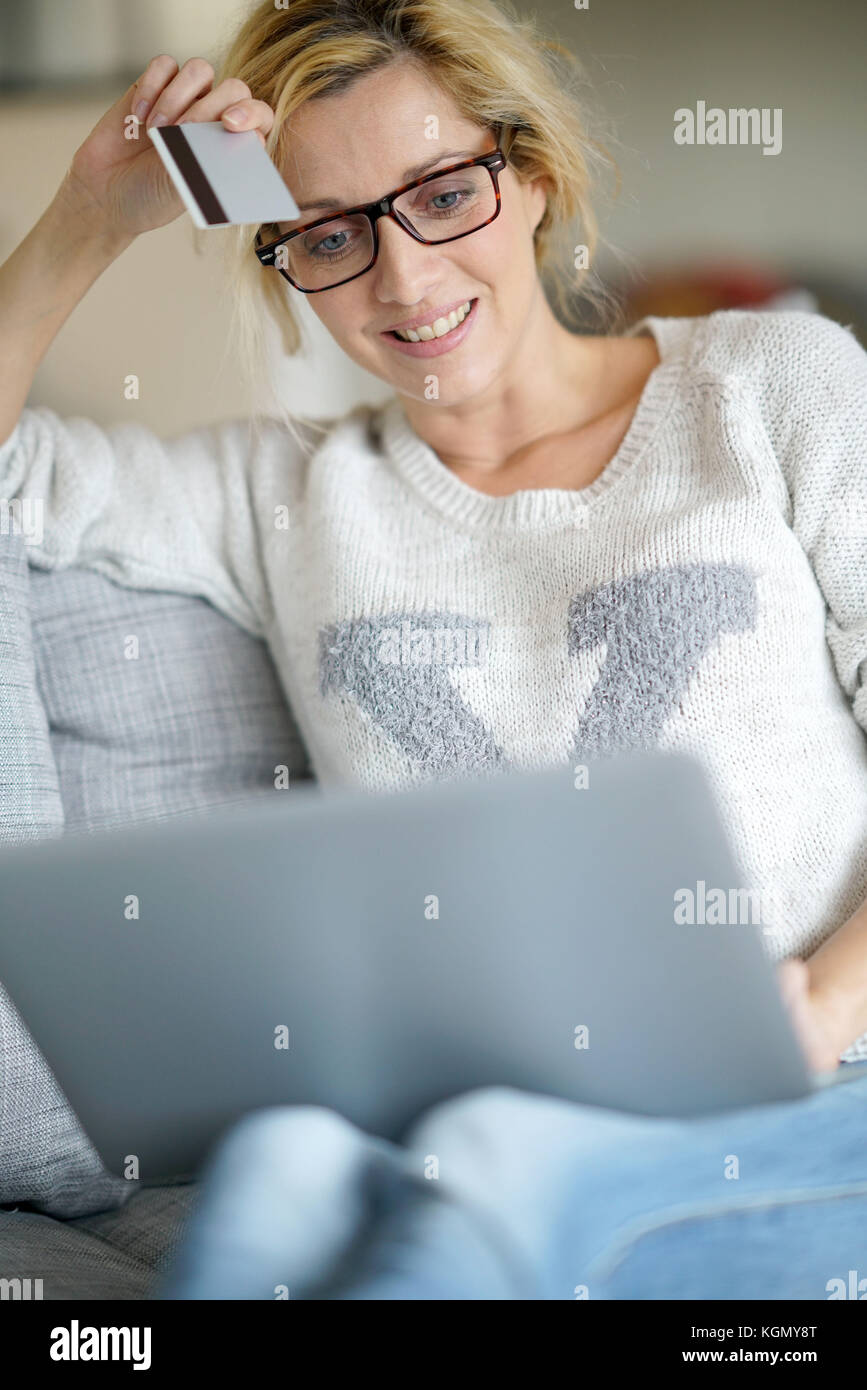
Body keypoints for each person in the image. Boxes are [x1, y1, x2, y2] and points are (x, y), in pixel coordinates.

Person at [1, 0, 866, 1299]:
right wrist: (87, 222)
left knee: (497, 1163)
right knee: (284, 1160)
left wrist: (825, 1006)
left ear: (532, 178)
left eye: (444, 192)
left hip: (806, 1086)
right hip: (465, 1105)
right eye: (334, 235)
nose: (403, 281)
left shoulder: (776, 386)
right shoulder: (290, 494)